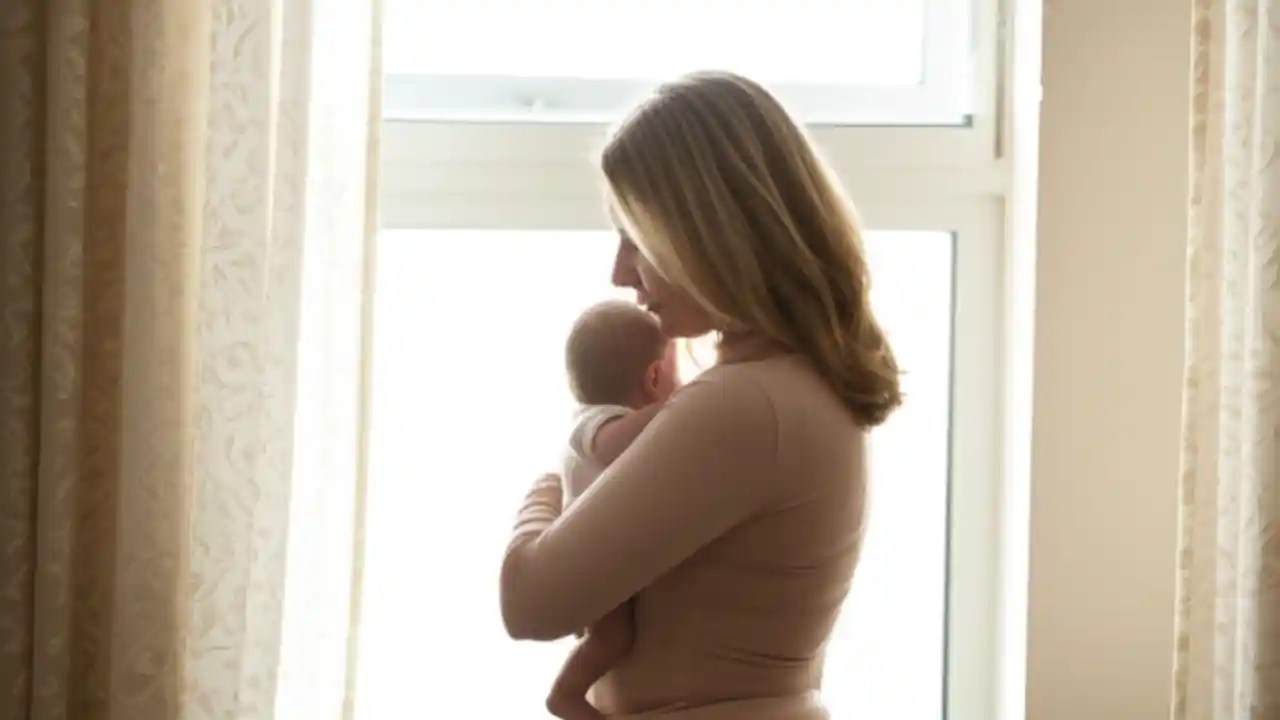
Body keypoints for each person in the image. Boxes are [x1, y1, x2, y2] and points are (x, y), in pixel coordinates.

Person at [501, 71, 902, 719]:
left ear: (703, 231)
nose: (619, 272)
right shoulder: (797, 385)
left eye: (636, 236)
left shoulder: (743, 406)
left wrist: (545, 489)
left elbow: (531, 604)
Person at [547, 300, 681, 719]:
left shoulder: (600, 418)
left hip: (597, 561)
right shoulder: (594, 423)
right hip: (590, 564)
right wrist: (684, 408)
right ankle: (565, 697)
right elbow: (616, 445)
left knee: (614, 639)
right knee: (612, 640)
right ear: (654, 377)